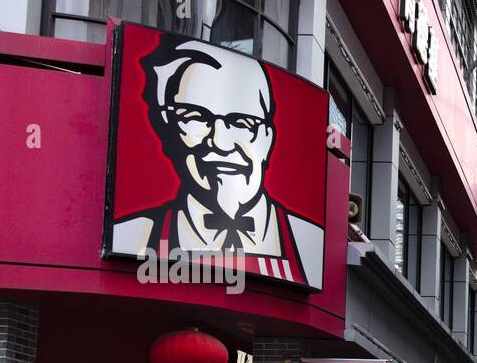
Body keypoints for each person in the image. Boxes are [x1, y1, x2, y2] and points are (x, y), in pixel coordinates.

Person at [110, 36, 324, 288]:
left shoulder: (309, 243)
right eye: (195, 117)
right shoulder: (131, 235)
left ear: (268, 139)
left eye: (242, 122)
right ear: (168, 133)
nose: (221, 142)